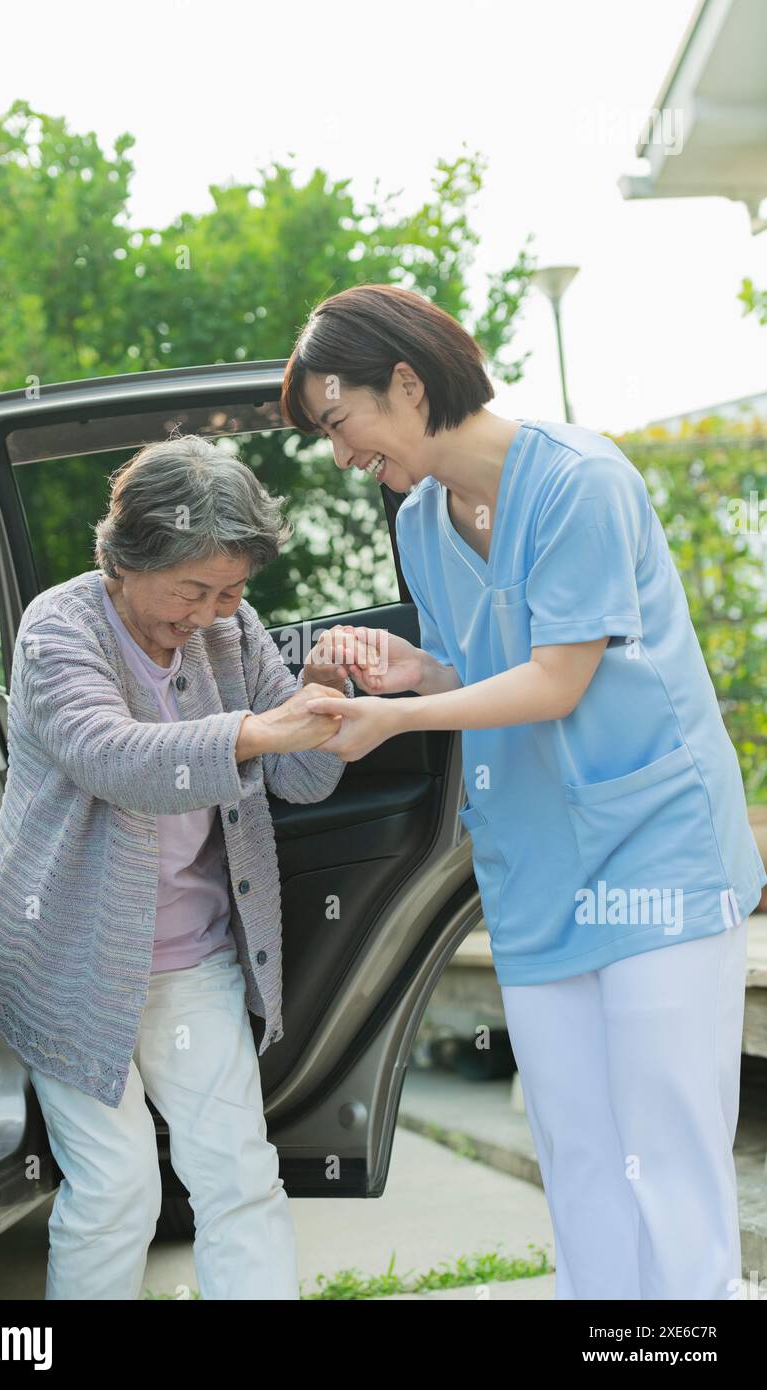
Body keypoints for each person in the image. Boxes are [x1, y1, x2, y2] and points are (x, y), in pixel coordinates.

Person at [281, 281, 767, 1300]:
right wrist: (411, 677)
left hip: (653, 857)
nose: (338, 453)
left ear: (406, 384)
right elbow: (480, 666)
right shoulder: (420, 518)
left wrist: (398, 721)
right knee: (579, 1156)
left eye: (339, 422)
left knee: (666, 1154)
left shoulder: (578, 479)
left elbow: (557, 677)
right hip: (537, 870)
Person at [0, 433, 353, 1299]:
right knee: (118, 1191)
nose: (213, 612)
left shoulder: (232, 633)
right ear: (127, 555)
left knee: (239, 1177)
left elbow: (299, 777)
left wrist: (324, 699)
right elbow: (114, 757)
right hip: (65, 958)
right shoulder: (59, 627)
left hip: (194, 958)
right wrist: (259, 730)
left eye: (232, 590)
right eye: (193, 589)